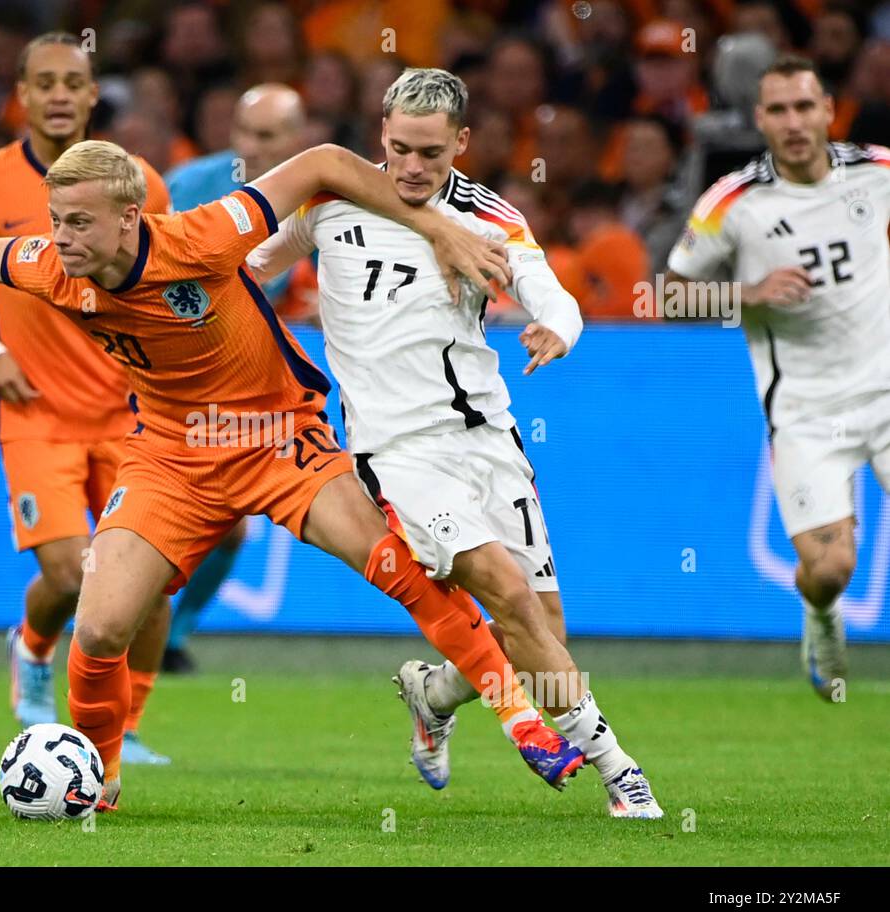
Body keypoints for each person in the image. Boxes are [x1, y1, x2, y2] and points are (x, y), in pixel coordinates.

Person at [0, 115, 591, 812]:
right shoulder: (49, 266)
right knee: (101, 626)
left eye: (77, 223)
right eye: (55, 221)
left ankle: (521, 721)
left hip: (282, 441)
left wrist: (442, 230)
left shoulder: (205, 235)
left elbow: (322, 163)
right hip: (172, 457)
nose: (59, 240)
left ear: (130, 217)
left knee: (401, 571)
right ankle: (96, 772)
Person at [247, 68, 662, 819]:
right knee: (505, 595)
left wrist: (555, 329)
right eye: (400, 147)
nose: (411, 167)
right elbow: (247, 270)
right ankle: (620, 772)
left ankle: (433, 691)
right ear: (382, 134)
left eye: (430, 154)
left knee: (542, 625)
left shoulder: (486, 216)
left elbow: (554, 295)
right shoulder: (327, 198)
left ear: (462, 143)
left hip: (489, 438)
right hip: (398, 451)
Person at [0, 32, 172, 764]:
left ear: (95, 94)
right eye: (46, 82)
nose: (61, 94)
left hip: (129, 415)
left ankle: (123, 734)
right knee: (73, 574)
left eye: (75, 80)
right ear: (23, 94)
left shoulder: (141, 185)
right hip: (36, 413)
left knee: (151, 587)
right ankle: (32, 648)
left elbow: (161, 286)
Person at [666, 54, 890, 701]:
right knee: (830, 567)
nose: (794, 123)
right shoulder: (732, 202)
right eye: (779, 111)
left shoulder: (875, 172)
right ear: (760, 119)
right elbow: (667, 295)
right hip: (806, 414)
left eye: (804, 107)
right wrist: (749, 292)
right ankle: (821, 617)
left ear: (828, 110)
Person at [160, 82, 313, 673]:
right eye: (245, 131)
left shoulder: (319, 199)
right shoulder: (190, 186)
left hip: (252, 384)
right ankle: (109, 626)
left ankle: (170, 637)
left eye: (269, 135)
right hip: (172, 375)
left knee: (227, 531)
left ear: (298, 140)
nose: (252, 144)